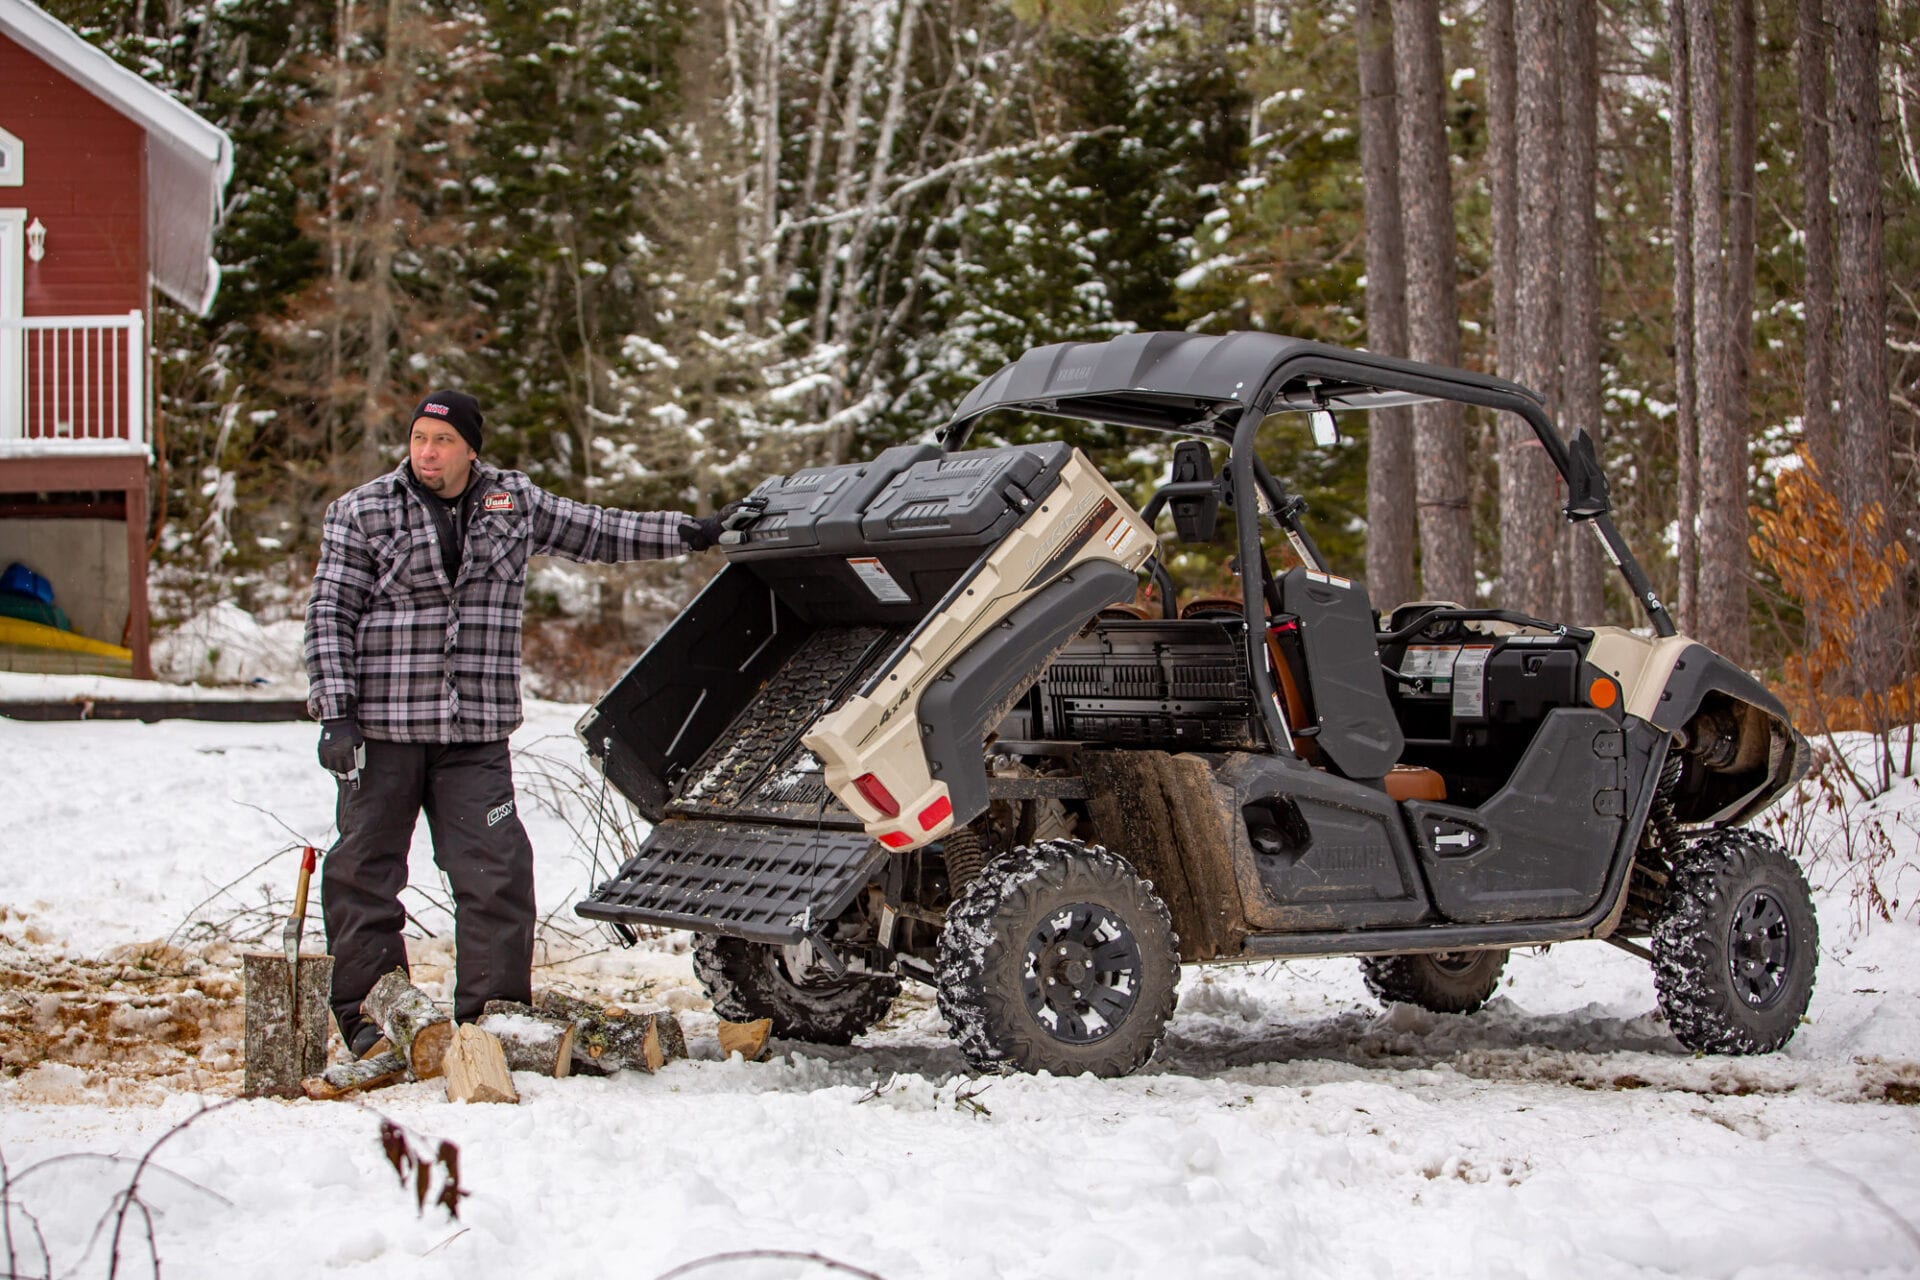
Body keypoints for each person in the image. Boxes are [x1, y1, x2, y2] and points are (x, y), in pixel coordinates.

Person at [304, 389, 737, 1056]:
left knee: (498, 870)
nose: (427, 452)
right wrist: (336, 713)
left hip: (473, 733)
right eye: (419, 438)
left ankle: (495, 1021)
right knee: (366, 871)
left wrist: (694, 531)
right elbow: (330, 612)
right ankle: (374, 1024)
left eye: (442, 441)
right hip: (383, 729)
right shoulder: (362, 510)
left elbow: (599, 530)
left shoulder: (512, 502)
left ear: (470, 449)